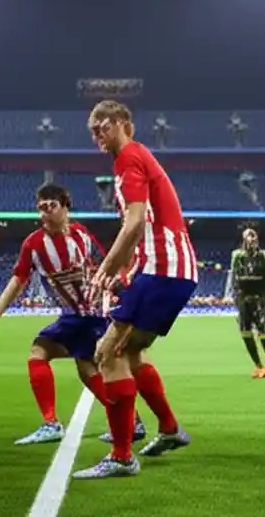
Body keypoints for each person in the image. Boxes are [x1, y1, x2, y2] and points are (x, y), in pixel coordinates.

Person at [75, 100, 194, 480]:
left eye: (103, 125)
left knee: (106, 352)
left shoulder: (128, 157)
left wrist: (106, 269)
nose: (97, 133)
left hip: (163, 268)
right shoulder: (137, 156)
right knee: (130, 352)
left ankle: (122, 456)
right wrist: (124, 270)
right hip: (171, 268)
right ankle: (170, 428)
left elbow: (136, 223)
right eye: (92, 129)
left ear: (125, 123)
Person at [0, 182, 145, 446]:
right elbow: (18, 280)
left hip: (88, 314)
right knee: (85, 366)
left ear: (65, 207)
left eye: (51, 206)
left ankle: (51, 423)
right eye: (41, 208)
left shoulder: (78, 236)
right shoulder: (35, 244)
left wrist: (119, 291)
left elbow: (105, 265)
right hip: (78, 316)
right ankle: (131, 421)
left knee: (40, 353)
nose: (45, 213)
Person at [229, 227, 265, 378]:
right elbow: (233, 275)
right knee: (245, 332)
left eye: (254, 237)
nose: (252, 240)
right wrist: (231, 295)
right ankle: (259, 366)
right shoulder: (237, 255)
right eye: (248, 237)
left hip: (259, 298)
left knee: (263, 332)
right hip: (243, 298)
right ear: (243, 240)